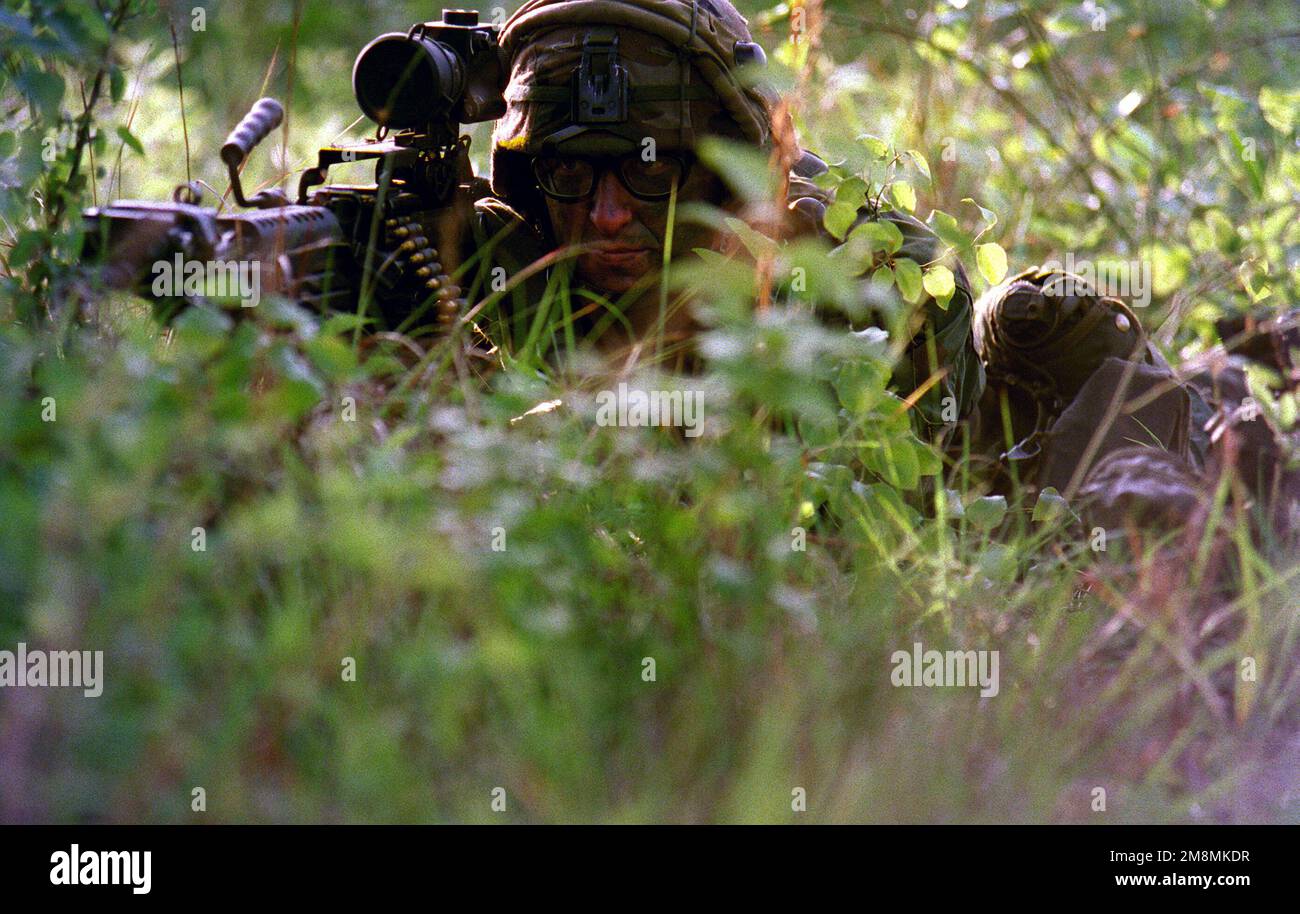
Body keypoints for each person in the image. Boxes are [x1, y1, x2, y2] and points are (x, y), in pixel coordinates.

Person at [461, 0, 983, 436]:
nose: (608, 215)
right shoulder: (493, 254)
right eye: (569, 169)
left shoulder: (867, 273)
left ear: (730, 168)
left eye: (652, 169)